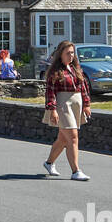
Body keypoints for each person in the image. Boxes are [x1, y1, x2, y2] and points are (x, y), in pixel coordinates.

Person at [41, 40, 92, 181]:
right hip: (62, 106)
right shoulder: (55, 72)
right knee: (73, 137)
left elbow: (83, 88)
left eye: (72, 53)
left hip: (76, 105)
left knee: (63, 139)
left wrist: (87, 104)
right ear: (60, 55)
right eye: (67, 53)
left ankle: (49, 163)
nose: (71, 56)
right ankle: (76, 171)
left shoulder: (75, 69)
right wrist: (52, 109)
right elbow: (50, 92)